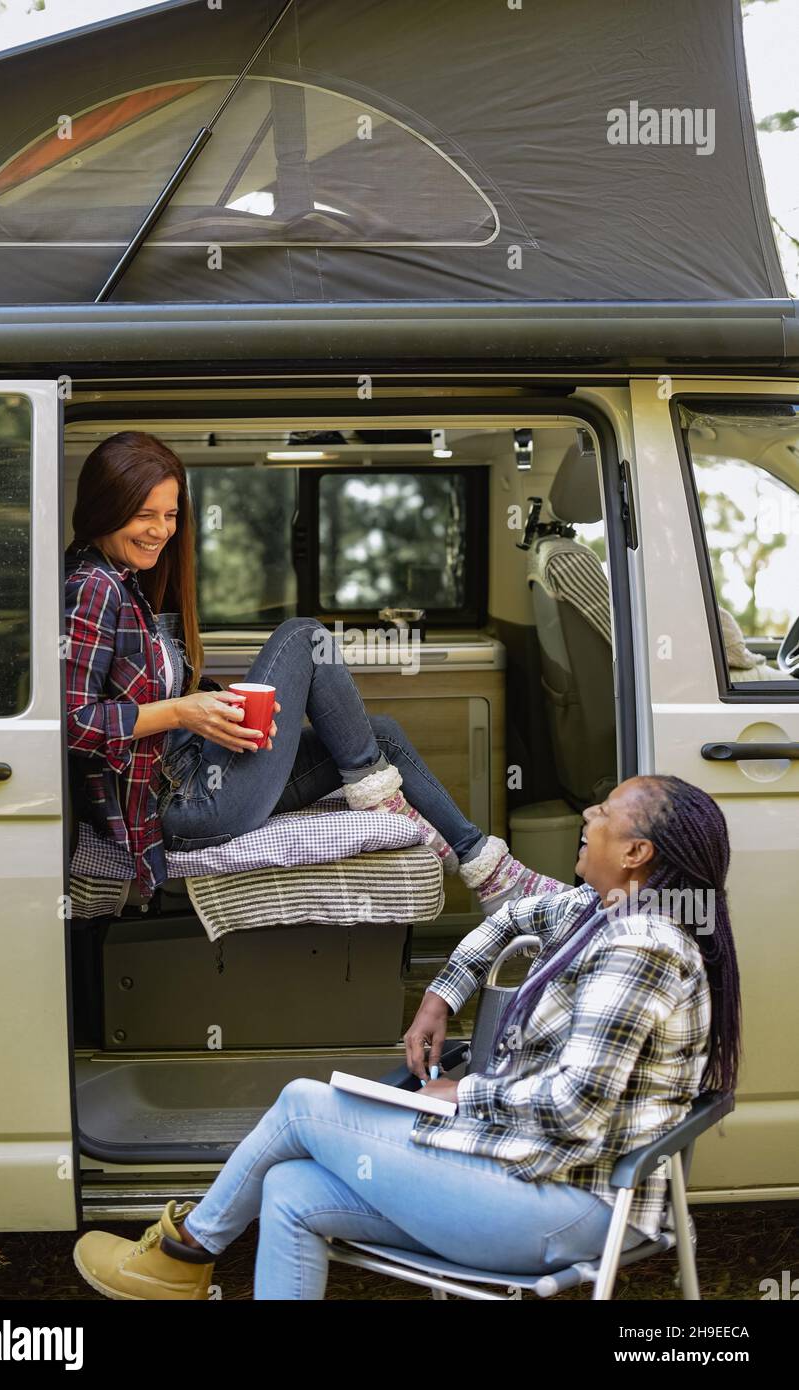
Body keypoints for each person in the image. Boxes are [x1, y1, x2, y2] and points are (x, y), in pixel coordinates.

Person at [73, 769, 741, 1300]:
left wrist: (465, 1094)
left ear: (634, 851)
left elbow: (574, 1105)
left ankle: (181, 1254)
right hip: (516, 1172)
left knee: (305, 1104)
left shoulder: (642, 946)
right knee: (291, 1191)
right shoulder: (595, 910)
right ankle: (181, 1263)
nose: (588, 818)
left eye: (605, 814)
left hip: (563, 1207)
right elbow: (509, 921)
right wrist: (439, 997)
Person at [64, 430, 547, 909]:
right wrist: (182, 713)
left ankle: (492, 874)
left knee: (382, 737)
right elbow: (73, 723)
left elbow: (156, 693)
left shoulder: (125, 583)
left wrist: (217, 709)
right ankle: (379, 800)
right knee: (304, 636)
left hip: (194, 768)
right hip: (184, 804)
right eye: (144, 514)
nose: (162, 530)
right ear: (105, 507)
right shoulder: (95, 587)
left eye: (170, 515)